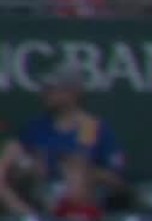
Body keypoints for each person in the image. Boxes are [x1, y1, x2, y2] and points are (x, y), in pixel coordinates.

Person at [18, 63, 128, 207]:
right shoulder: (36, 129)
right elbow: (17, 172)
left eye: (52, 89)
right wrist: (29, 169)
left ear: (73, 93)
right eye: (45, 89)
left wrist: (86, 171)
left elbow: (117, 181)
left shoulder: (91, 128)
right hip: (42, 205)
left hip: (84, 208)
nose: (45, 93)